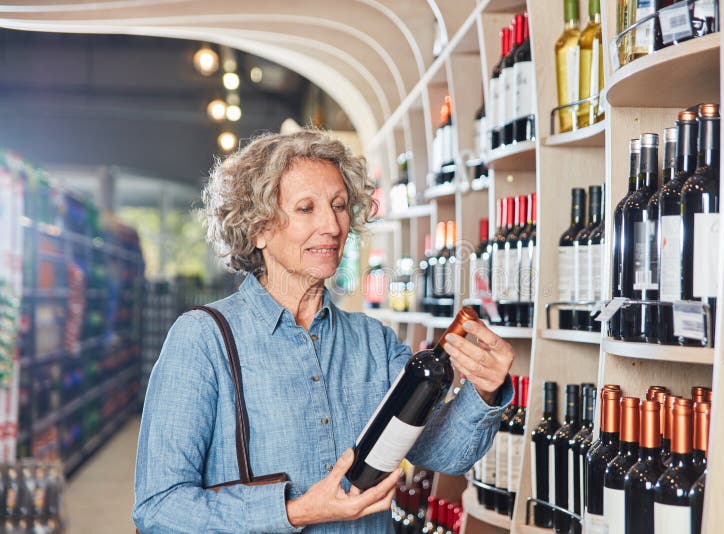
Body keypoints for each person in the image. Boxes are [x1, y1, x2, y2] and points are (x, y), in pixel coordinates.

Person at [132, 130, 515, 533]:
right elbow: (158, 508)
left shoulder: (375, 343)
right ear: (258, 229)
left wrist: (484, 392)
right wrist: (296, 511)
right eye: (306, 208)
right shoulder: (201, 340)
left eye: (338, 205)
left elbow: (442, 453)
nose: (331, 225)